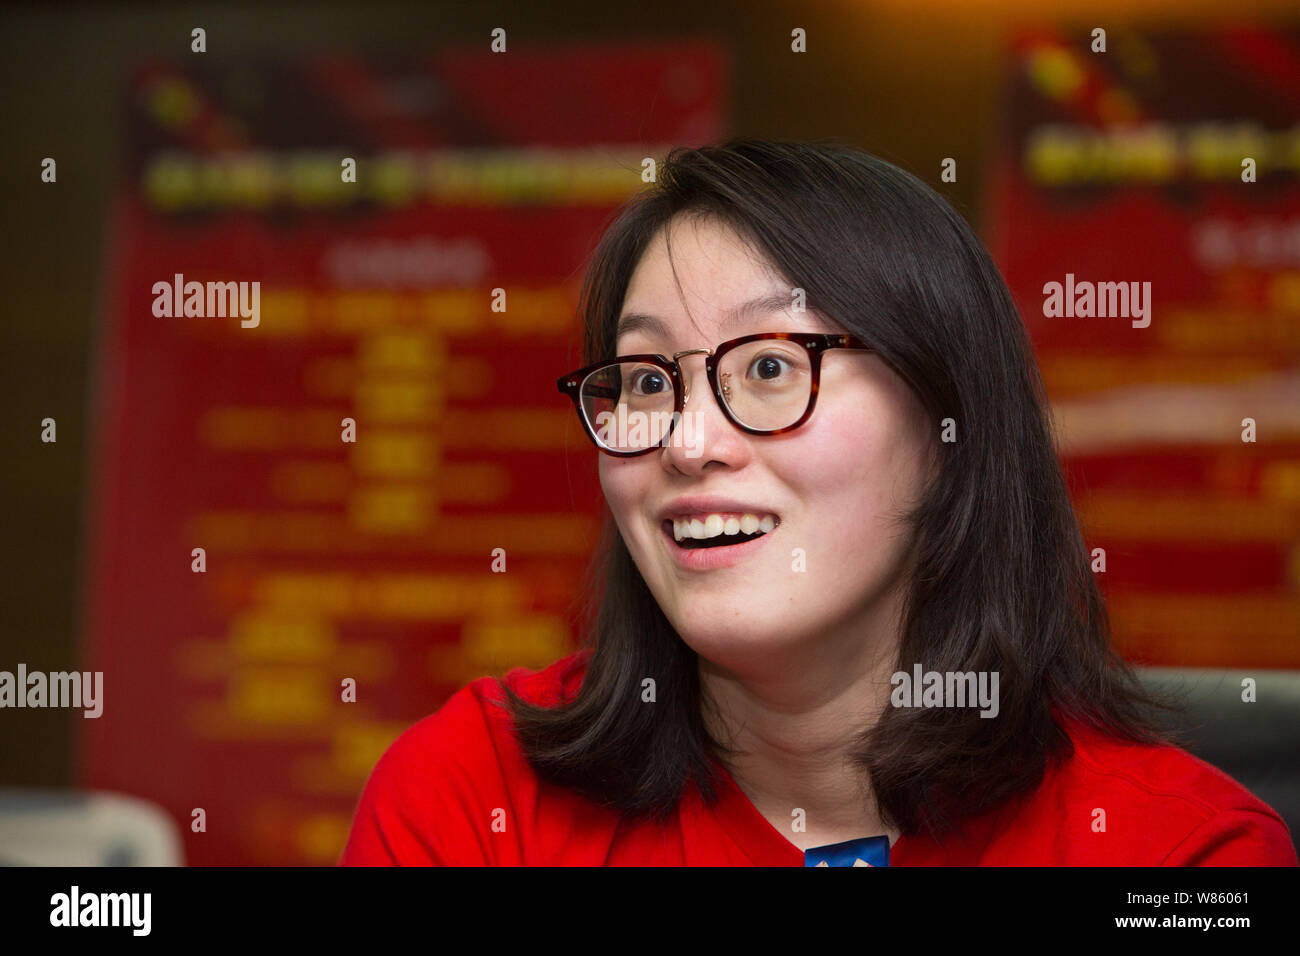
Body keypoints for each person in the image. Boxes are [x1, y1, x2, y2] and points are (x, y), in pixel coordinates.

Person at [339, 139, 1297, 866]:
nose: (688, 441)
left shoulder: (1185, 856)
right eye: (641, 380)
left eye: (768, 366)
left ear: (948, 419)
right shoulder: (473, 800)